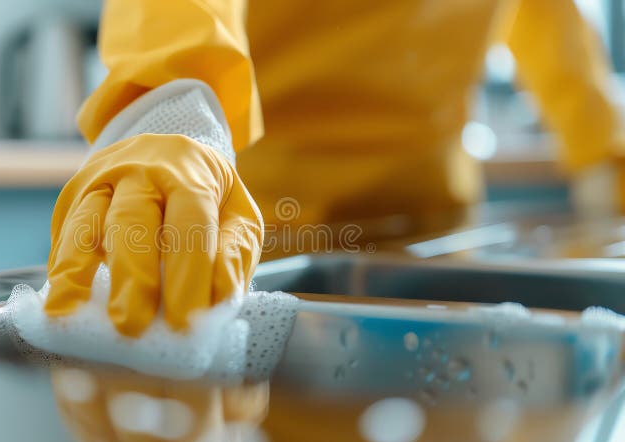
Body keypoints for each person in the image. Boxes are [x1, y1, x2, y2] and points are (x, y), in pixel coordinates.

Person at [45, 0, 625, 337]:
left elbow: (550, 18)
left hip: (435, 231)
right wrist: (172, 103)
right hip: (251, 230)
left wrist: (605, 151)